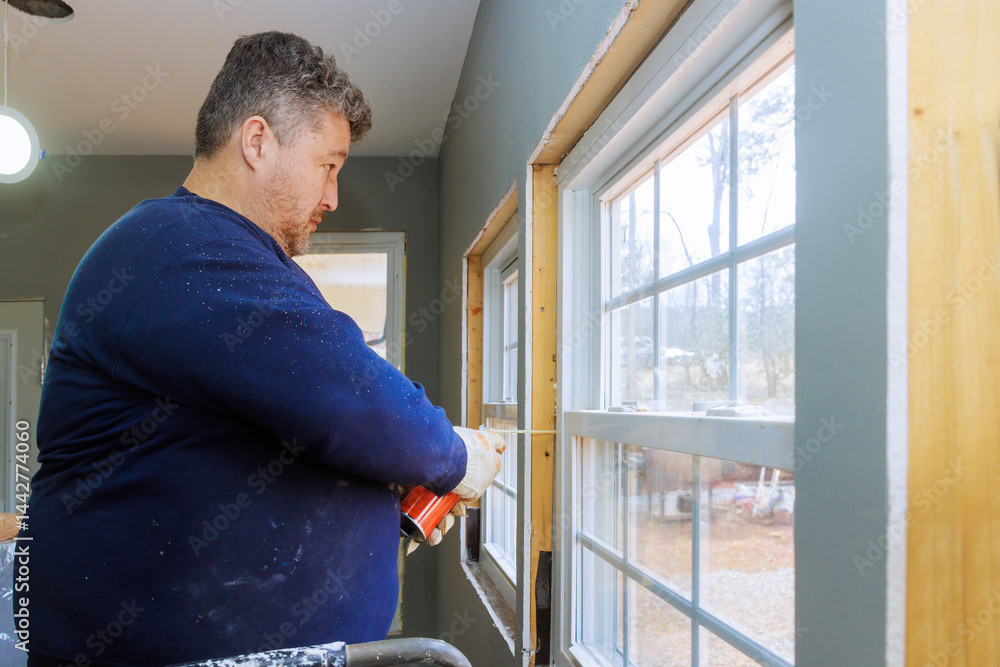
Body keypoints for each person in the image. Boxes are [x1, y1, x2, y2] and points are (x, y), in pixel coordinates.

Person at [17, 31, 503, 666]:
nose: (332, 196)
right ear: (256, 142)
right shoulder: (177, 248)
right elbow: (348, 397)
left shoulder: (220, 257)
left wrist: (382, 510)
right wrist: (454, 455)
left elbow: (271, 438)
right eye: (328, 165)